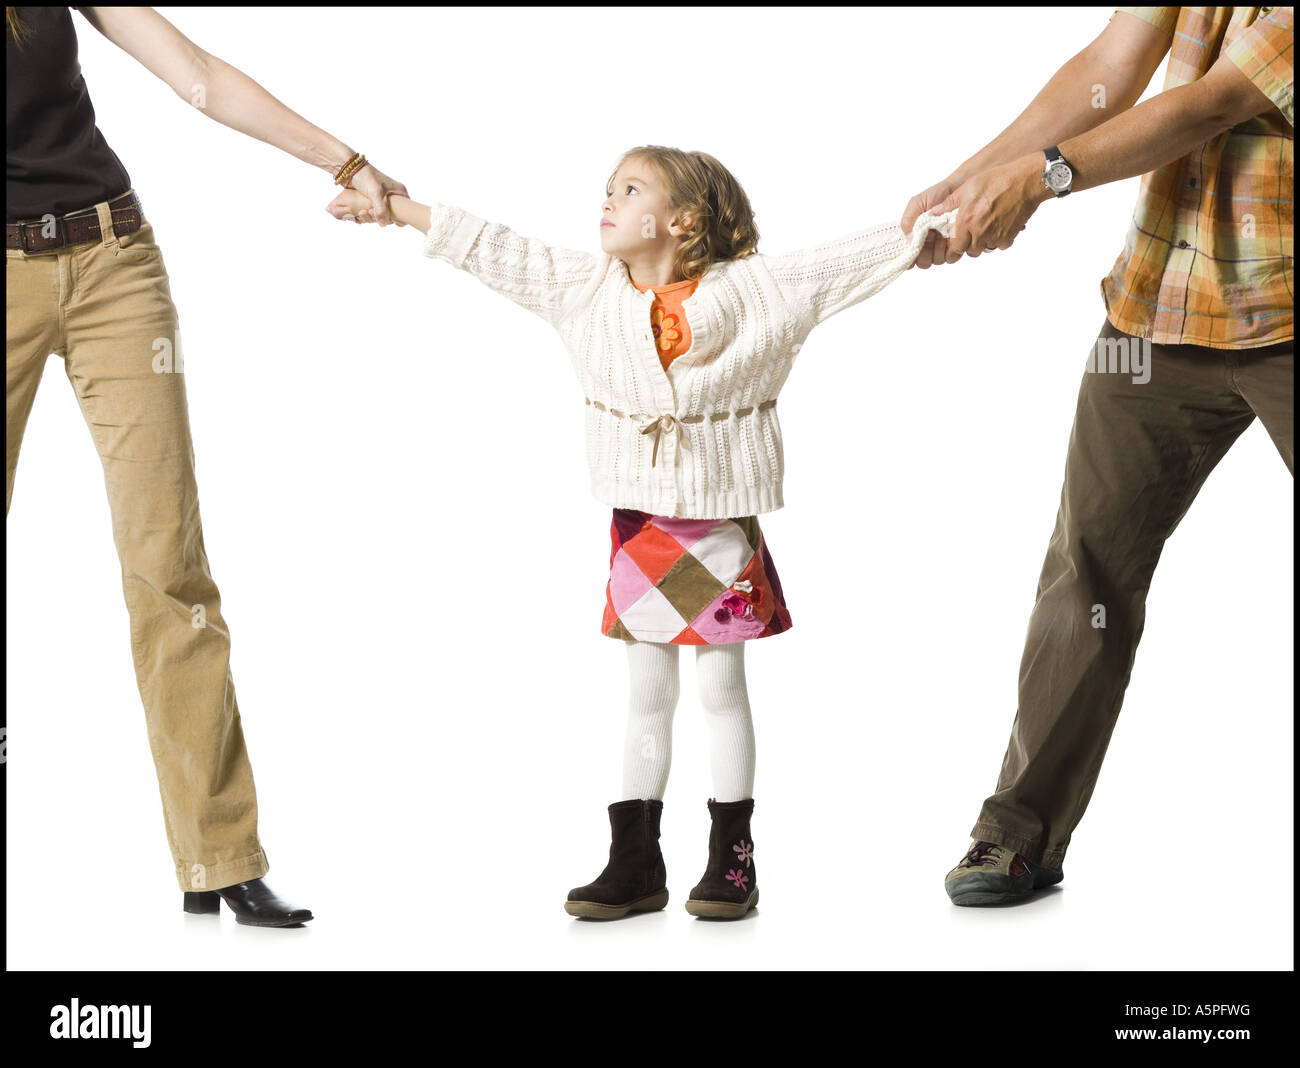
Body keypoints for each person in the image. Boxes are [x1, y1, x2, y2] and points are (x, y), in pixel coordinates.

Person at [329, 147, 958, 919]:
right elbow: (495, 248)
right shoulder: (586, 288)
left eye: (628, 190)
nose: (607, 200)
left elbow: (838, 263)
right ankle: (635, 860)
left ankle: (733, 860)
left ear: (679, 221)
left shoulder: (756, 290)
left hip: (721, 517)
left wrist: (922, 234)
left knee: (722, 689)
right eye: (607, 189)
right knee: (647, 692)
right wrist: (395, 209)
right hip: (642, 523)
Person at [6, 5, 407, 925]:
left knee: (170, 570)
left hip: (113, 261)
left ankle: (219, 857)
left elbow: (197, 75)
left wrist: (345, 162)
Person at [896, 6, 1293, 905]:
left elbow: (1210, 104)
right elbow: (1109, 62)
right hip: (1157, 312)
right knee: (1088, 577)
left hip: (1290, 314)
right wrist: (971, 180)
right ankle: (1017, 835)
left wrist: (1039, 181)